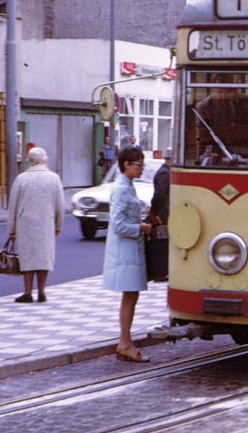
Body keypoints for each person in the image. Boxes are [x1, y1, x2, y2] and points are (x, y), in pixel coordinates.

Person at [103, 146, 154, 362]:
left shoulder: (128, 186)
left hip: (131, 250)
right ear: (127, 164)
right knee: (129, 296)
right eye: (139, 164)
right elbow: (118, 224)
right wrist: (141, 228)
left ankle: (126, 342)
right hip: (125, 251)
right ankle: (125, 343)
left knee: (132, 296)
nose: (142, 168)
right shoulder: (121, 189)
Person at [7, 147, 64, 303]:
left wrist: (11, 229)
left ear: (29, 161)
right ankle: (41, 291)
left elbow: (13, 206)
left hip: (24, 224)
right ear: (44, 160)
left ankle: (27, 292)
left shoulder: (21, 179)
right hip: (47, 223)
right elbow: (60, 205)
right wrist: (58, 225)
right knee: (44, 257)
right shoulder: (54, 178)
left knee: (27, 258)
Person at [146, 148, 171, 282]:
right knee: (161, 241)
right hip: (163, 213)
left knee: (164, 241)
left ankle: (162, 270)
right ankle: (160, 271)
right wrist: (154, 212)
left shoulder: (166, 172)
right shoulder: (164, 174)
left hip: (163, 211)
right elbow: (160, 195)